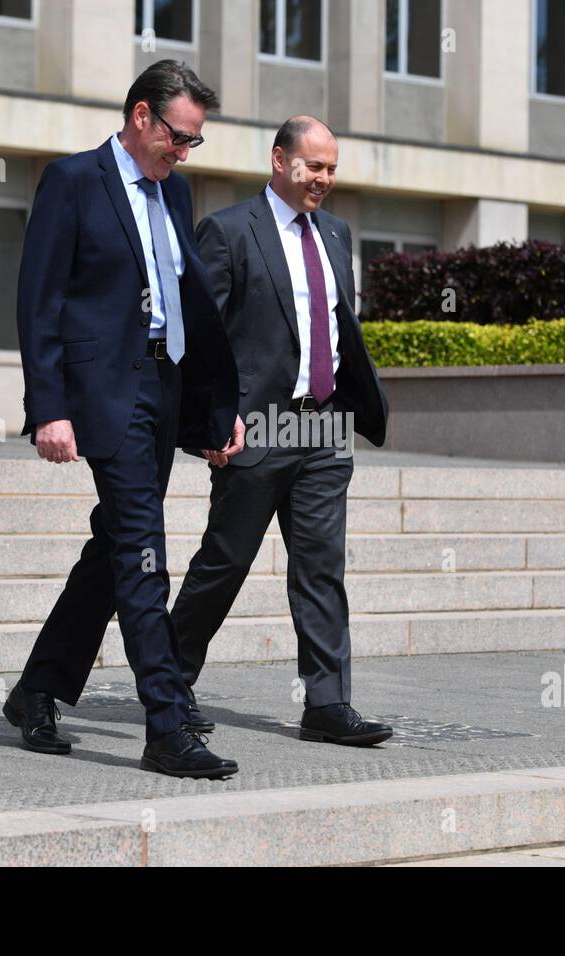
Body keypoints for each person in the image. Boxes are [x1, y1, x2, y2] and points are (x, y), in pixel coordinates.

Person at [4, 60, 245, 779]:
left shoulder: (176, 195)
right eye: (179, 135)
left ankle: (37, 689)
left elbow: (189, 310)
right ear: (141, 117)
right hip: (103, 394)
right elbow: (38, 301)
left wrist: (212, 412)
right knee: (143, 552)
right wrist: (48, 408)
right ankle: (167, 725)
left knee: (116, 544)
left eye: (194, 141)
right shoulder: (73, 182)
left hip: (162, 392)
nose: (185, 151)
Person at [172, 115, 393, 746]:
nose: (323, 178)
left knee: (321, 568)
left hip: (324, 428)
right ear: (279, 160)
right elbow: (199, 338)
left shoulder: (336, 233)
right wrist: (212, 421)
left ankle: (326, 704)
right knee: (224, 562)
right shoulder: (230, 231)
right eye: (312, 165)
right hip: (258, 427)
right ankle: (170, 679)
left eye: (331, 168)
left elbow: (336, 326)